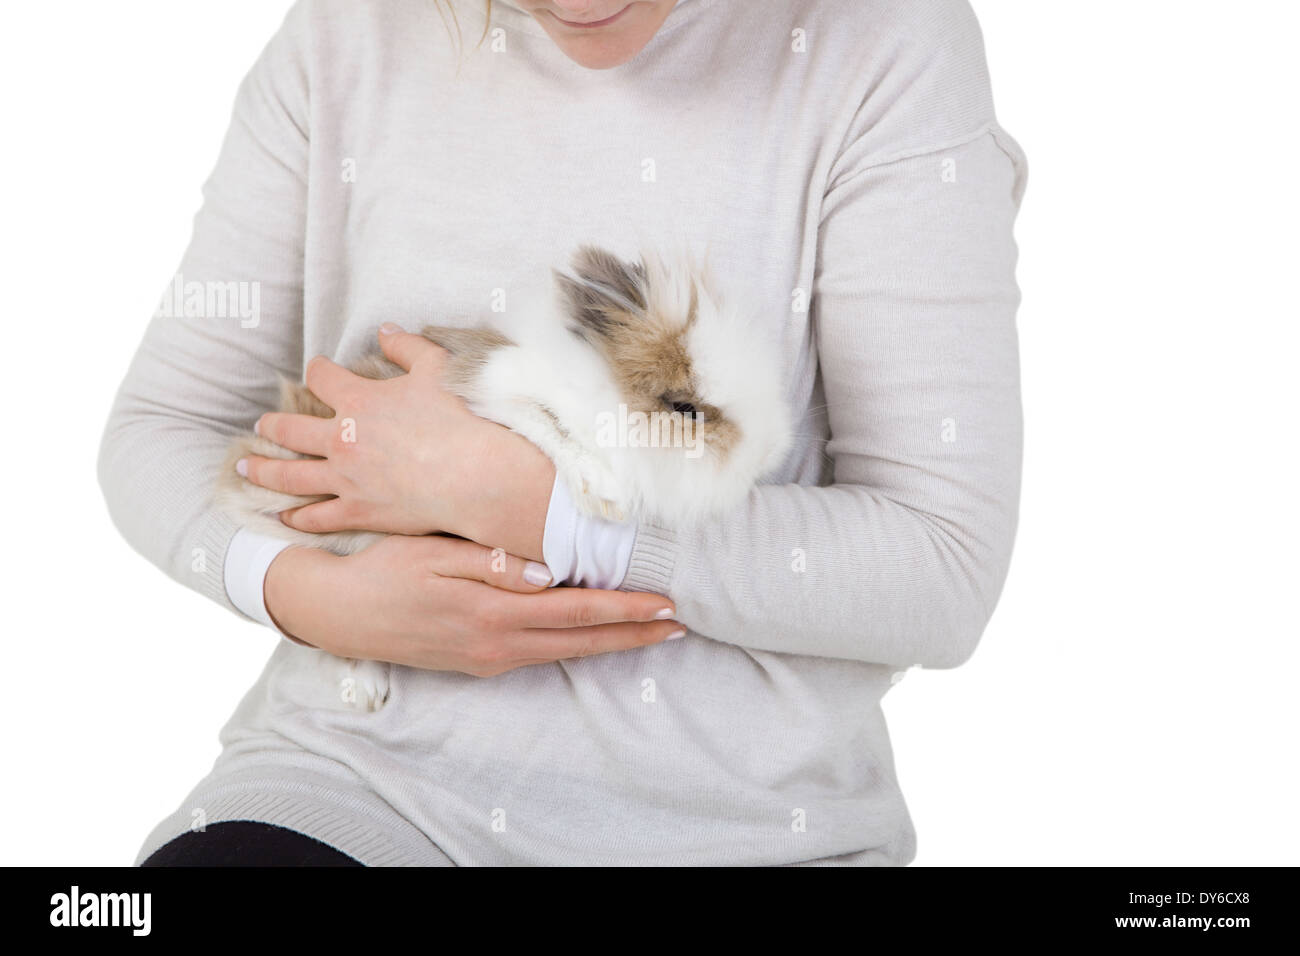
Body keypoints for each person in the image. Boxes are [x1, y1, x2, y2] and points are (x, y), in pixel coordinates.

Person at [101, 0, 1027, 866]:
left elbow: (941, 569)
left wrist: (547, 516)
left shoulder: (882, 42)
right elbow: (159, 430)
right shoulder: (349, 33)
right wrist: (308, 594)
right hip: (354, 782)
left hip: (746, 831)